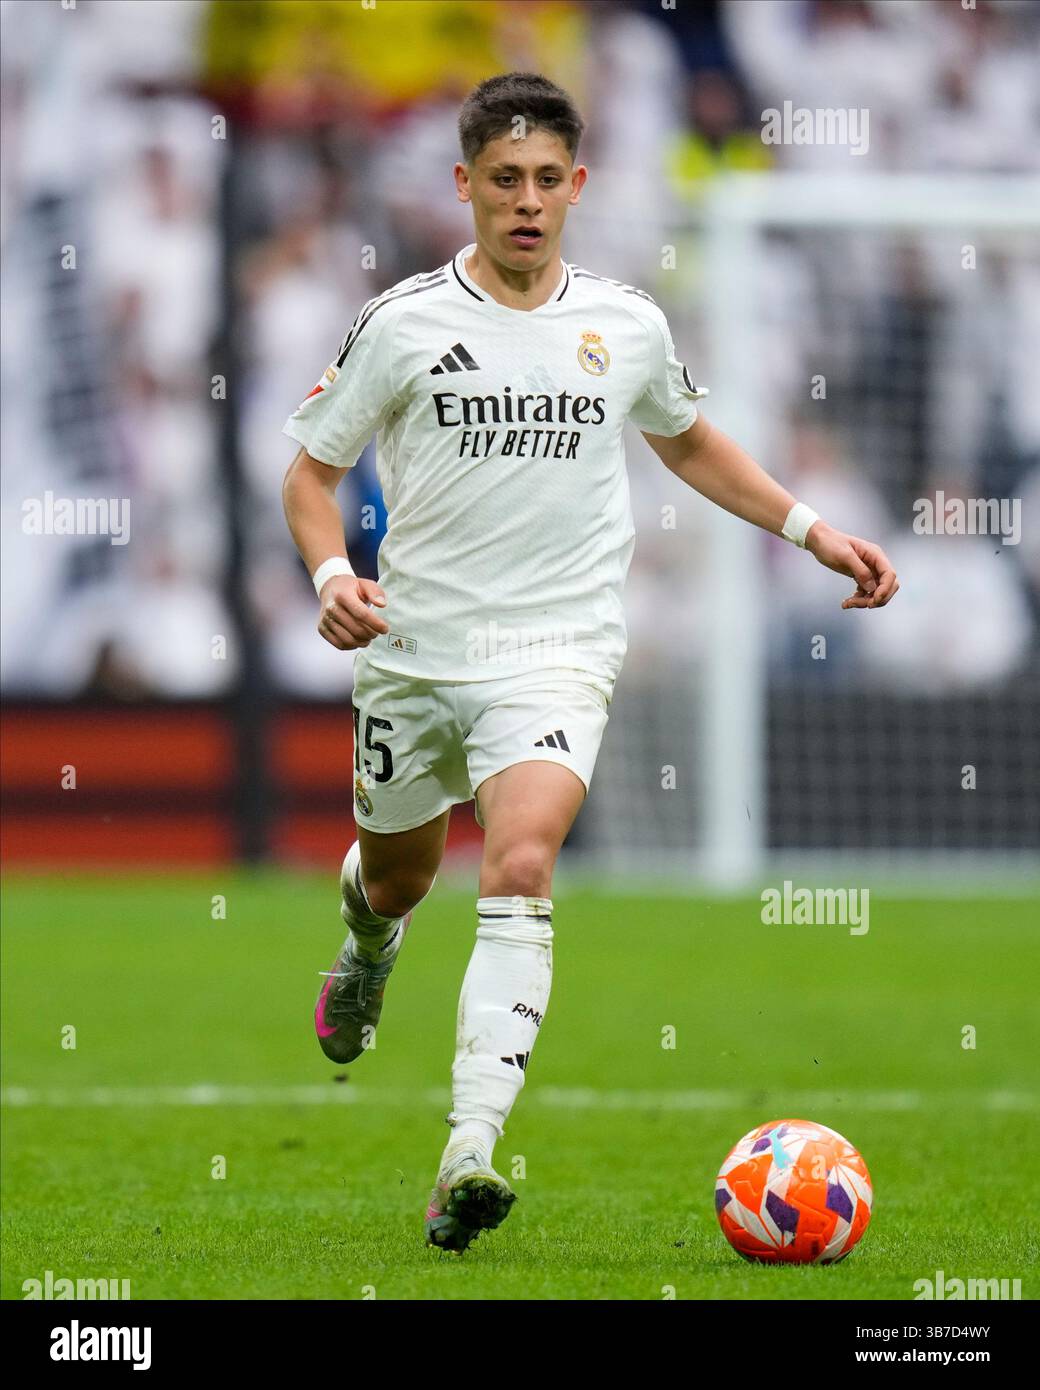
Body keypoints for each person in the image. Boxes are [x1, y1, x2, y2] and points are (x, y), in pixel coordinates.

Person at [281, 71, 898, 1254]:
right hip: (413, 653)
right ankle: (366, 949)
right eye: (502, 180)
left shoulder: (625, 326)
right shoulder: (402, 323)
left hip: (556, 652)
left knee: (519, 858)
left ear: (577, 186)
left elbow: (687, 439)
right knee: (401, 879)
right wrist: (328, 577)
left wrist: (810, 529)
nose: (525, 201)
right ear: (462, 186)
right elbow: (308, 472)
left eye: (546, 180)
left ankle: (466, 1150)